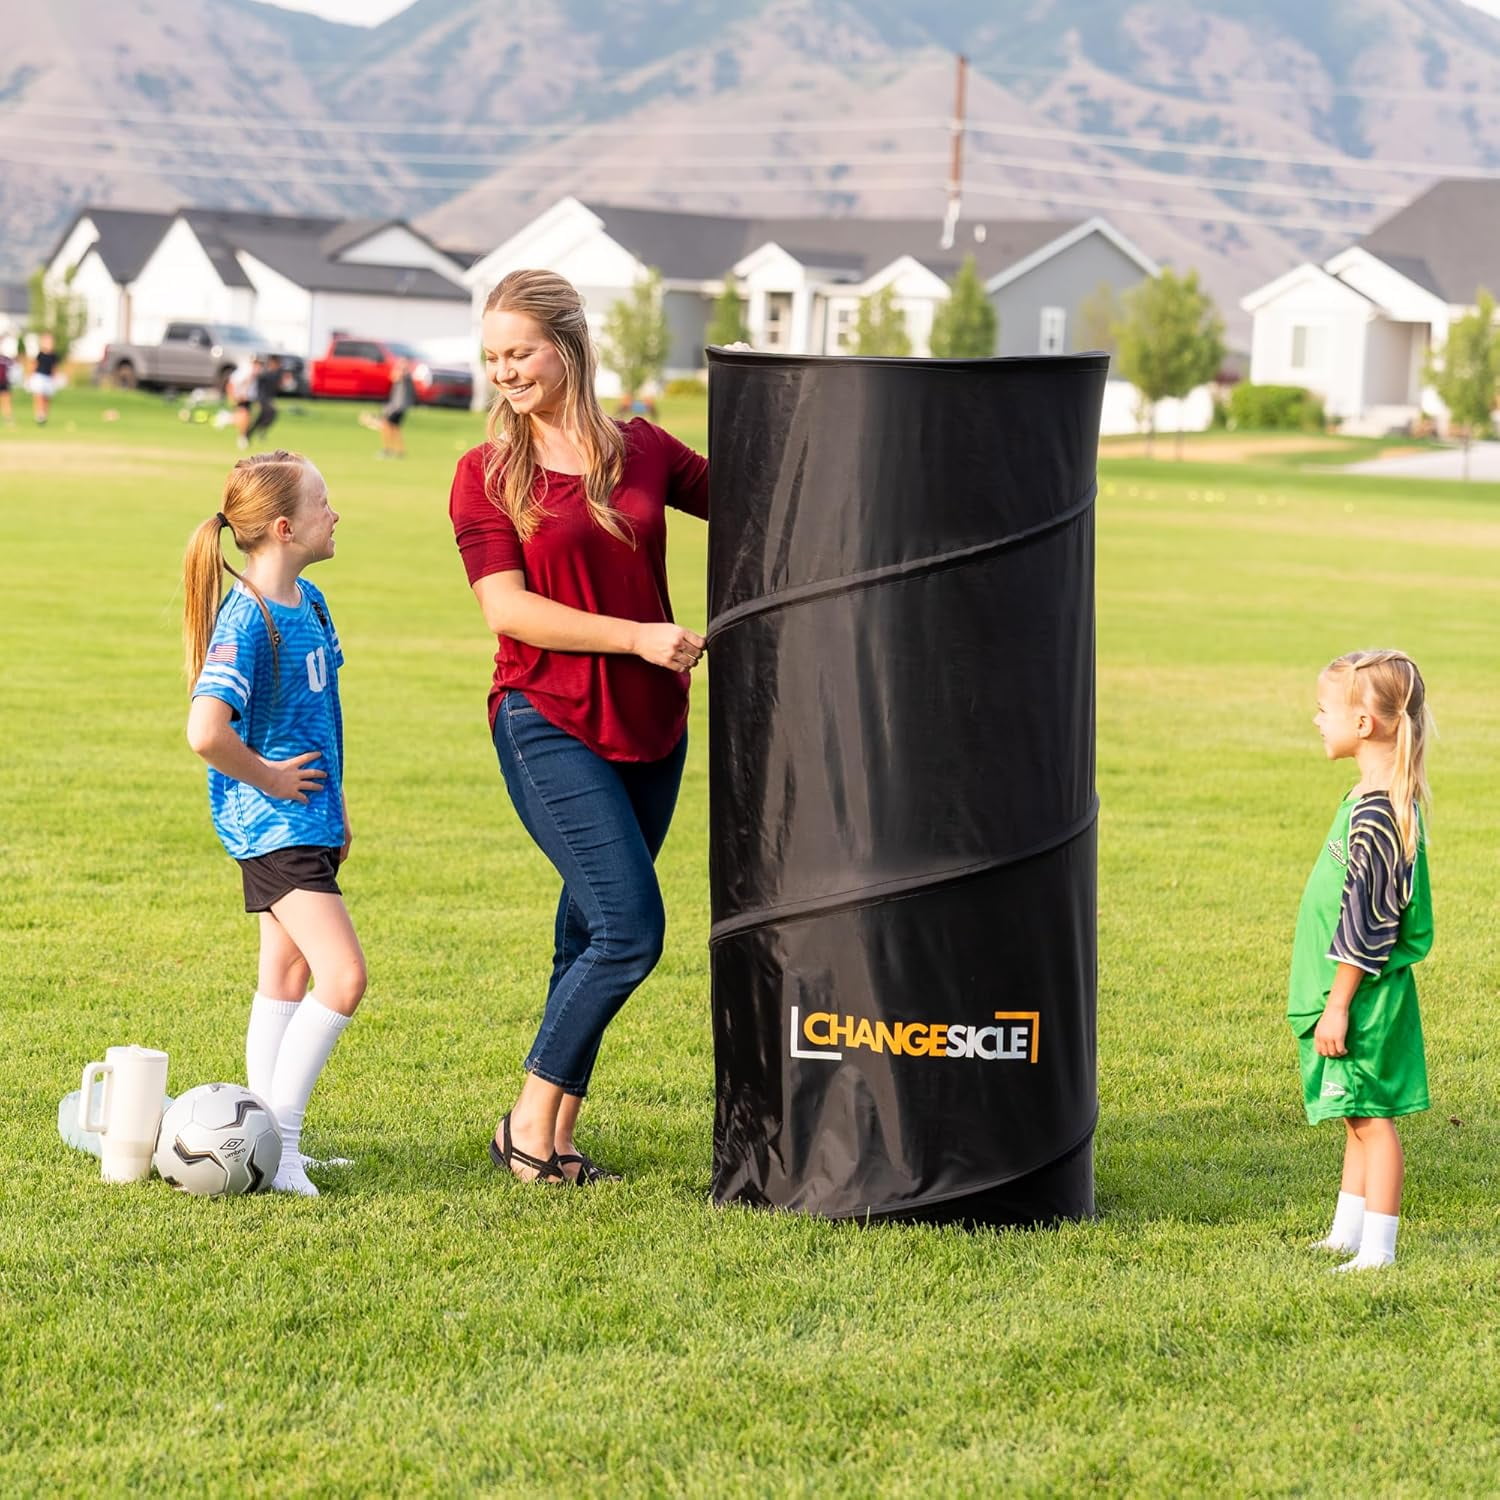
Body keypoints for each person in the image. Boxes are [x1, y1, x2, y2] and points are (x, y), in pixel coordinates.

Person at [448, 268, 708, 1185]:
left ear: (569, 347)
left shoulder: (642, 449)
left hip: (653, 728)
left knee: (584, 933)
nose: (505, 373)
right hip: (545, 717)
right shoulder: (485, 474)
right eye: (493, 358)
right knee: (630, 930)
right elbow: (507, 612)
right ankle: (524, 1126)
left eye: (519, 353)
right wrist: (638, 635)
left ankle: (554, 1137)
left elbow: (761, 498)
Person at [182, 449, 366, 1196]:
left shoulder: (312, 600)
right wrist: (272, 780)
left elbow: (323, 715)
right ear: (287, 528)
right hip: (271, 828)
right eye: (325, 504)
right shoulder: (248, 618)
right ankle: (281, 1148)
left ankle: (260, 1145)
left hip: (308, 823)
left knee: (285, 973)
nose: (337, 515)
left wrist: (337, 806)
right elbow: (206, 730)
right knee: (344, 977)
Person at [1289, 649, 1434, 1271]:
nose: (1317, 720)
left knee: (1374, 1121)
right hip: (1348, 993)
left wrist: (1338, 1006)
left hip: (1360, 997)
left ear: (1365, 724)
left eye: (1326, 710)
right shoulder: (1369, 794)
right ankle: (1346, 1233)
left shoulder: (1378, 810)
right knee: (1355, 1114)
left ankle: (1378, 1250)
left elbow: (1368, 923)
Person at [373, 357, 415, 459]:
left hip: (399, 407)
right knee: (393, 427)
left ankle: (389, 449)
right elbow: (392, 377)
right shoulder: (403, 375)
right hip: (395, 406)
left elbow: (396, 376)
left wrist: (401, 368)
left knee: (387, 426)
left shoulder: (406, 375)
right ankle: (397, 450)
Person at [247, 355, 282, 443]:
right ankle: (251, 433)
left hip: (267, 399)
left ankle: (256, 432)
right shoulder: (265, 374)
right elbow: (256, 383)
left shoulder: (276, 374)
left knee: (265, 416)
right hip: (261, 399)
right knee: (268, 413)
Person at [227, 358, 259, 450]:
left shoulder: (256, 373)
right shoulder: (245, 371)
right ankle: (242, 438)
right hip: (240, 397)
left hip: (248, 398)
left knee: (246, 418)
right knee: (244, 417)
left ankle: (227, 418)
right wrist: (232, 396)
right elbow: (231, 383)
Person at [29, 332, 58, 425]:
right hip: (39, 377)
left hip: (48, 378)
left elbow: (54, 368)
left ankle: (44, 415)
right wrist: (30, 376)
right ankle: (39, 414)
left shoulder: (54, 355)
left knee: (46, 398)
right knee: (39, 396)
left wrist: (54, 378)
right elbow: (34, 365)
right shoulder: (40, 354)